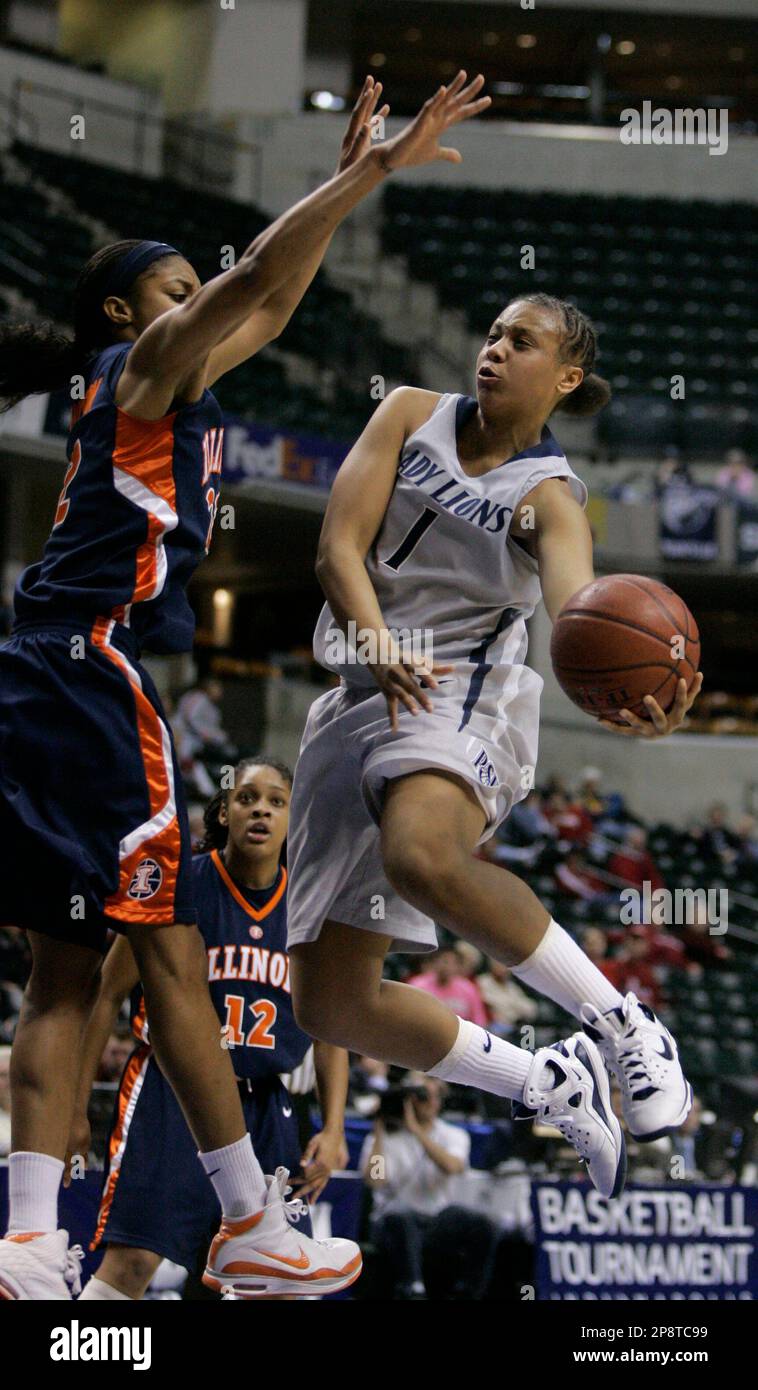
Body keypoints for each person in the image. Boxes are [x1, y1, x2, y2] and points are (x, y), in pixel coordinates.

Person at [0, 71, 492, 1300]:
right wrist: (364, 174)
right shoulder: (138, 363)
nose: (196, 305)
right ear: (127, 307)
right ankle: (244, 1221)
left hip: (45, 670)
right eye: (176, 289)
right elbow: (251, 281)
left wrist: (345, 188)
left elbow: (270, 299)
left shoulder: (172, 381)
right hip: (91, 672)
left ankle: (22, 1242)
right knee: (162, 950)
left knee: (66, 962)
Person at [285, 290, 704, 1198]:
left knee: (421, 855)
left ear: (566, 377)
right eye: (492, 335)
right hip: (356, 691)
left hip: (457, 697)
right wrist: (376, 645)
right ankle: (541, 1080)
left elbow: (578, 616)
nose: (494, 351)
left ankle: (624, 1024)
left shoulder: (548, 501)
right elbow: (336, 550)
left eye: (523, 342)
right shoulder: (406, 413)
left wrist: (629, 698)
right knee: (329, 1004)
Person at [69, 757, 349, 1301]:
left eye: (276, 801)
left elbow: (329, 1024)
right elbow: (104, 995)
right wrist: (75, 1107)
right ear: (223, 811)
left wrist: (334, 1126)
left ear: (294, 820)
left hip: (267, 1105)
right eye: (247, 798)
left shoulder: (310, 906)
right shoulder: (180, 888)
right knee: (133, 1261)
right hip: (172, 1096)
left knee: (276, 1283)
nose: (261, 810)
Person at [360, 1074, 470, 1298]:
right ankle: (414, 1289)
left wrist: (416, 1130)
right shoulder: (382, 1139)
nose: (428, 1102)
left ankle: (470, 1292)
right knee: (402, 1216)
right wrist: (380, 1127)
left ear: (440, 1101)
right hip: (392, 1223)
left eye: (432, 1096)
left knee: (483, 1223)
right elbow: (375, 1180)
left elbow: (452, 1166)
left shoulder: (453, 1134)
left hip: (435, 1222)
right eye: (421, 1096)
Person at [408, 947, 488, 1027]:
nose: (446, 966)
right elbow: (410, 1014)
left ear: (458, 966)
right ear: (435, 962)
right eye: (444, 961)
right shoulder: (418, 984)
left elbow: (479, 1020)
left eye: (451, 963)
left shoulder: (468, 988)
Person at [476, 958, 537, 1034]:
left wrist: (512, 1006)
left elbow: (531, 1009)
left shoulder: (511, 987)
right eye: (500, 966)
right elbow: (495, 1005)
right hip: (492, 1027)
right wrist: (515, 1007)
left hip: (515, 1027)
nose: (504, 970)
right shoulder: (483, 982)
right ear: (492, 967)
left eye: (506, 967)